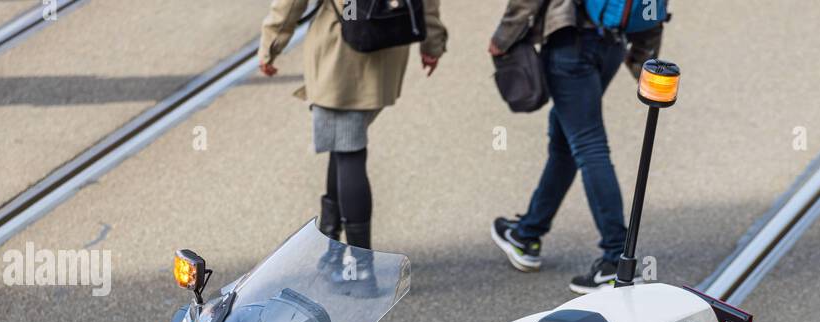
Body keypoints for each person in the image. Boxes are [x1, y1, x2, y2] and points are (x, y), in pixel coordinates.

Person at [488, 1, 663, 294]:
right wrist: (643, 57)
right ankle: (528, 233)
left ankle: (617, 259)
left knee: (588, 145)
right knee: (565, 139)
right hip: (612, 45)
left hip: (571, 44)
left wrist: (503, 38)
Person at [259, 0, 447, 269]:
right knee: (343, 142)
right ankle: (330, 245)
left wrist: (271, 43)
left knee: (349, 152)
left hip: (342, 51)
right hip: (388, 39)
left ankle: (361, 268)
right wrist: (433, 42)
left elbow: (291, 3)